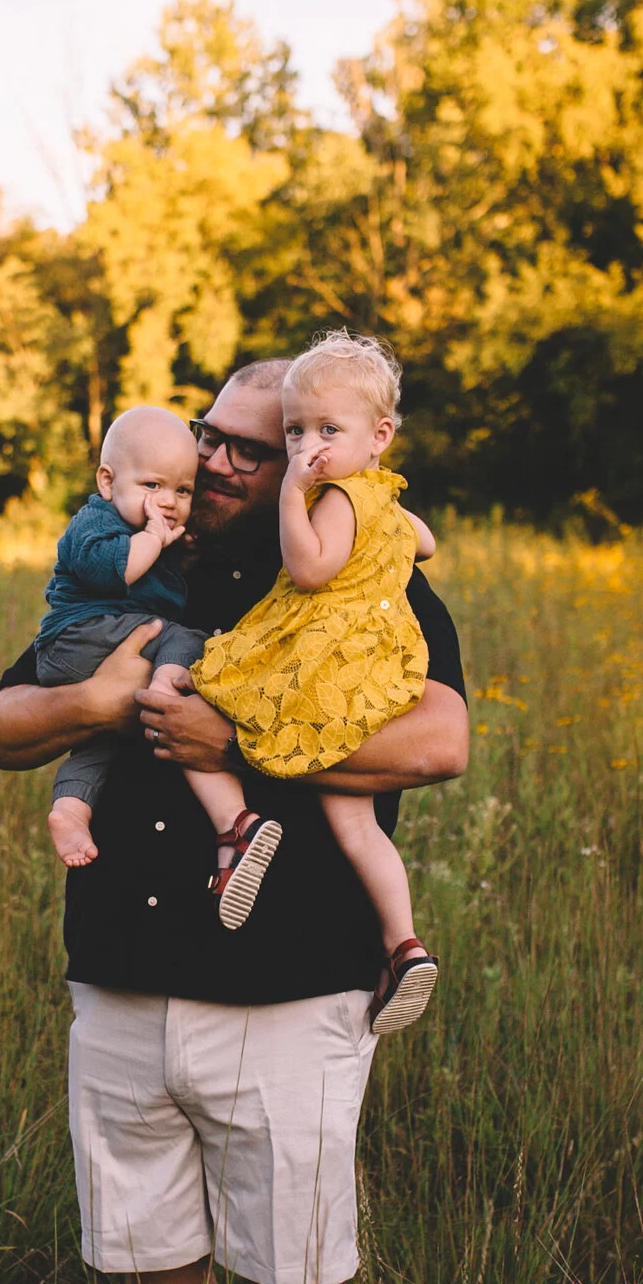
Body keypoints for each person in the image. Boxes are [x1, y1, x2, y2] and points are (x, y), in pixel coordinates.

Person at [0, 357, 470, 1284]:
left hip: (288, 984)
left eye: (261, 445)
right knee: (149, 1259)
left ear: (316, 448)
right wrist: (89, 696)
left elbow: (439, 739)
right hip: (122, 973)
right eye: (218, 439)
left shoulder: (366, 569)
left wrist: (240, 740)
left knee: (294, 1271)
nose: (230, 463)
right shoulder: (124, 552)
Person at [192, 332, 439, 1033]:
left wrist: (294, 495)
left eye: (328, 430)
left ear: (379, 435)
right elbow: (426, 542)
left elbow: (307, 569)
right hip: (375, 671)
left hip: (316, 664)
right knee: (355, 817)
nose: (309, 448)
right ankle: (404, 943)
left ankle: (234, 830)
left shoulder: (328, 497)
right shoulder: (387, 503)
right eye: (296, 432)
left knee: (197, 694)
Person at [33, 405, 284, 930]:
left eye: (182, 492)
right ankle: (171, 686)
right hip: (80, 640)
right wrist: (153, 538)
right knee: (186, 638)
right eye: (152, 486)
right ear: (107, 481)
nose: (167, 503)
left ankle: (71, 809)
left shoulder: (149, 526)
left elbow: (157, 571)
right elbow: (118, 569)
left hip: (97, 646)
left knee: (102, 743)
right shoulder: (93, 524)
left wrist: (175, 548)